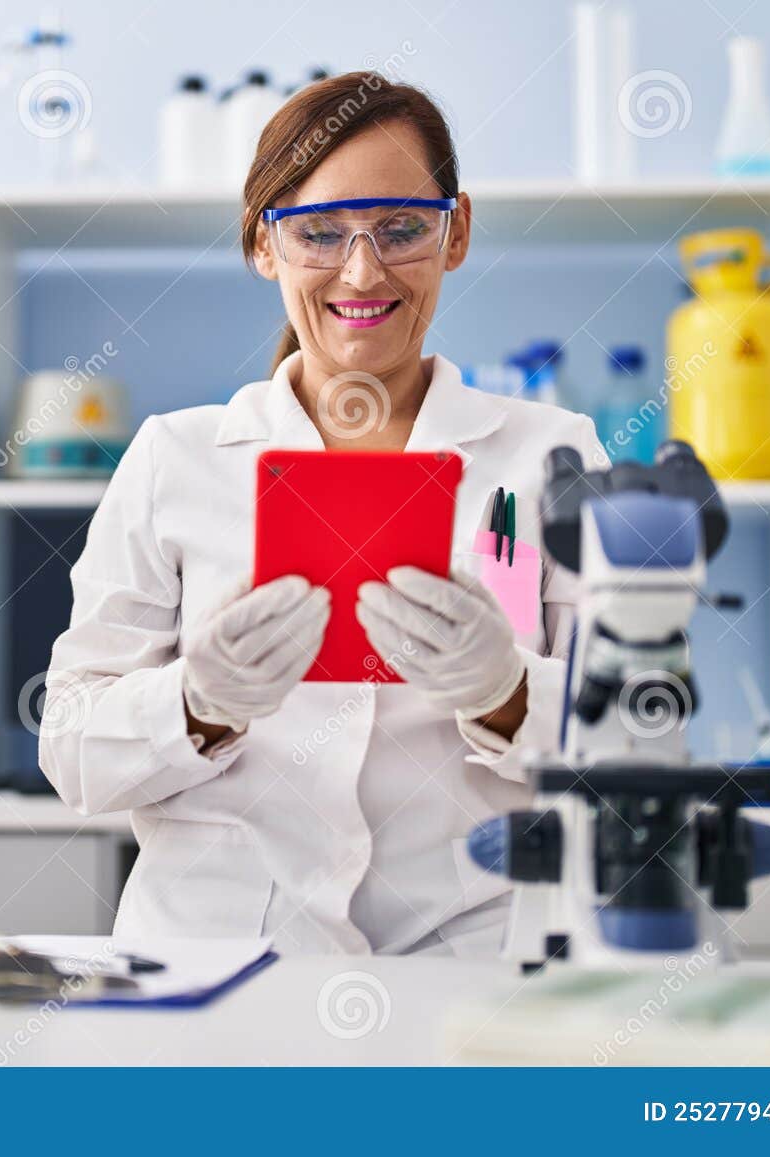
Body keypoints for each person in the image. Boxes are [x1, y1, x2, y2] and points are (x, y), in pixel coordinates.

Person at [39, 72, 607, 956]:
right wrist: (199, 703)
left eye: (402, 229)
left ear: (455, 232)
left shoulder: (551, 456)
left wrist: (509, 694)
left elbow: (640, 742)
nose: (362, 270)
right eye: (318, 234)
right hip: (214, 967)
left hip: (472, 967)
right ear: (263, 247)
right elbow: (71, 753)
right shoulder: (175, 458)